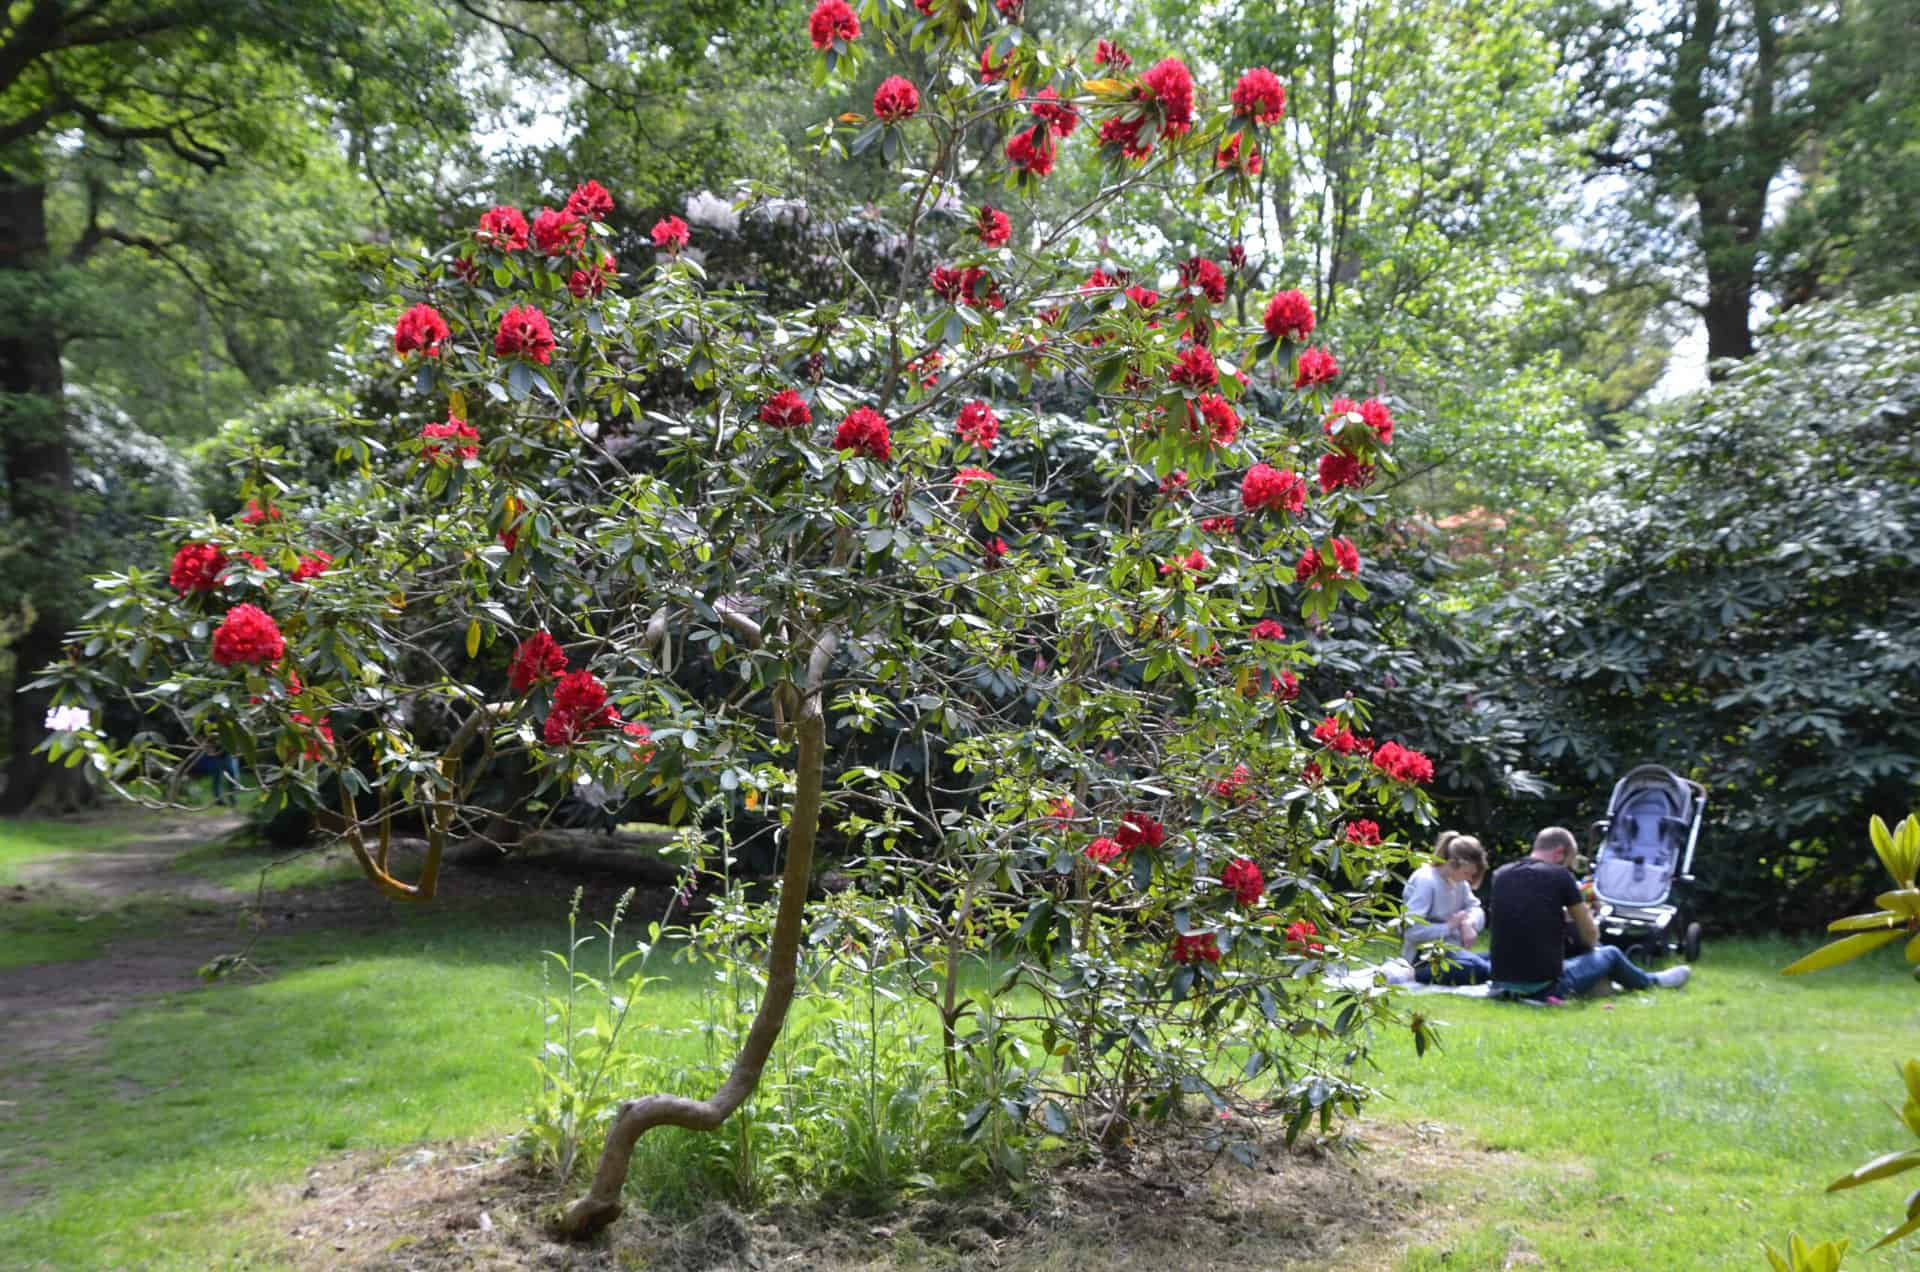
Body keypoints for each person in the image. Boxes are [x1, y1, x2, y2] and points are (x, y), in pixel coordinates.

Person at [1488, 826, 1690, 1001]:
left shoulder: (1501, 874)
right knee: (1610, 953)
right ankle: (1651, 981)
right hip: (1543, 988)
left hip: (1500, 982)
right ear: (1560, 853)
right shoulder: (1560, 876)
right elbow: (1590, 934)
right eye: (1569, 861)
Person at [1401, 832, 1492, 985]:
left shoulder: (1459, 882)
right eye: (1467, 873)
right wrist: (1449, 927)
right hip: (1425, 957)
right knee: (1480, 969)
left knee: (1500, 958)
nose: (1469, 878)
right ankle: (1413, 974)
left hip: (1453, 952)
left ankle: (1503, 972)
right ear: (1452, 863)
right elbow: (1411, 930)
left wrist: (1468, 923)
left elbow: (1476, 908)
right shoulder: (1426, 880)